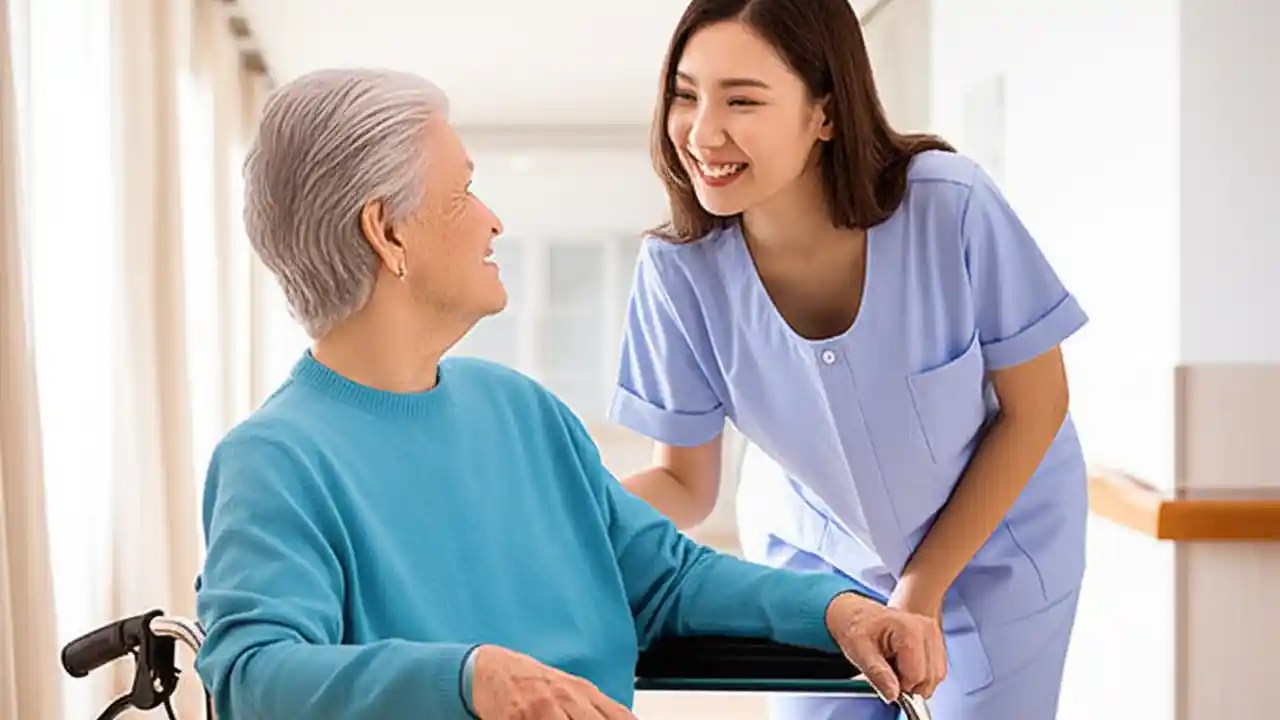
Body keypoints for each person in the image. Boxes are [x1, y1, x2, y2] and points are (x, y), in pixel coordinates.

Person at [192, 67, 947, 720]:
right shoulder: (277, 460)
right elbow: (252, 677)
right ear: (387, 234)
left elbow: (667, 581)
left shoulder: (520, 411)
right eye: (462, 193)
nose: (492, 221)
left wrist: (838, 610)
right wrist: (473, 680)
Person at [610, 1, 1089, 718]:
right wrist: (561, 518)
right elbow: (684, 482)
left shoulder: (948, 205)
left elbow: (1038, 406)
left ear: (825, 113)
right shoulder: (678, 271)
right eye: (686, 95)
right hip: (819, 558)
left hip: (996, 552)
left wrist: (921, 589)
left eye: (742, 100)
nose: (702, 132)